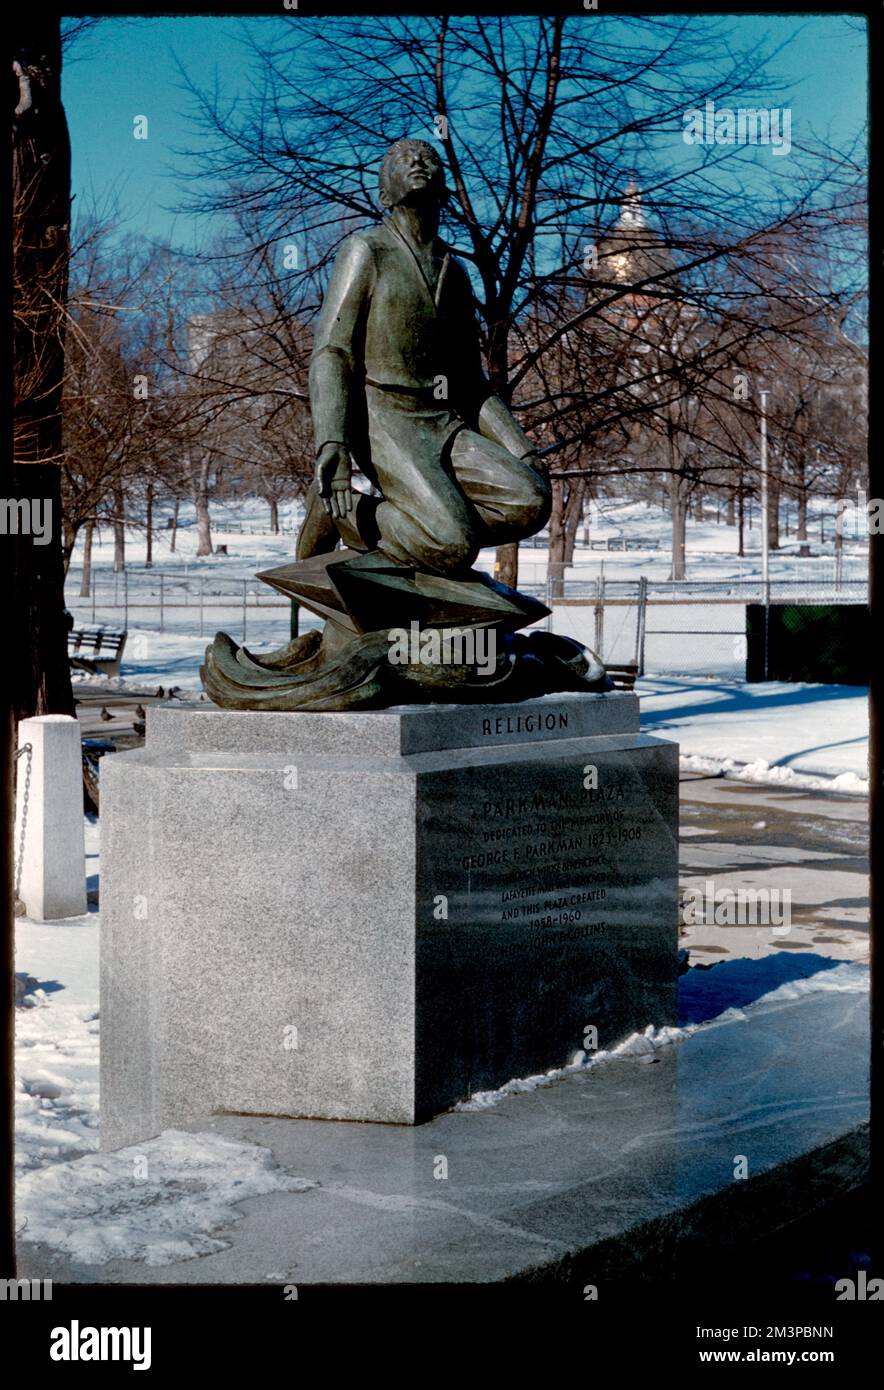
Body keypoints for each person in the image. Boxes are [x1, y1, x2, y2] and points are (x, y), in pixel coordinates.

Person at [297, 137, 551, 577]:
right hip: (383, 418)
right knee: (452, 545)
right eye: (401, 159)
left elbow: (471, 382)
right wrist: (332, 440)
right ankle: (347, 512)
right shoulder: (367, 250)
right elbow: (332, 351)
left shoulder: (455, 271)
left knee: (530, 502)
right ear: (384, 194)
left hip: (441, 418)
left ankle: (415, 529)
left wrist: (521, 450)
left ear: (445, 189)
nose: (417, 160)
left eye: (429, 158)